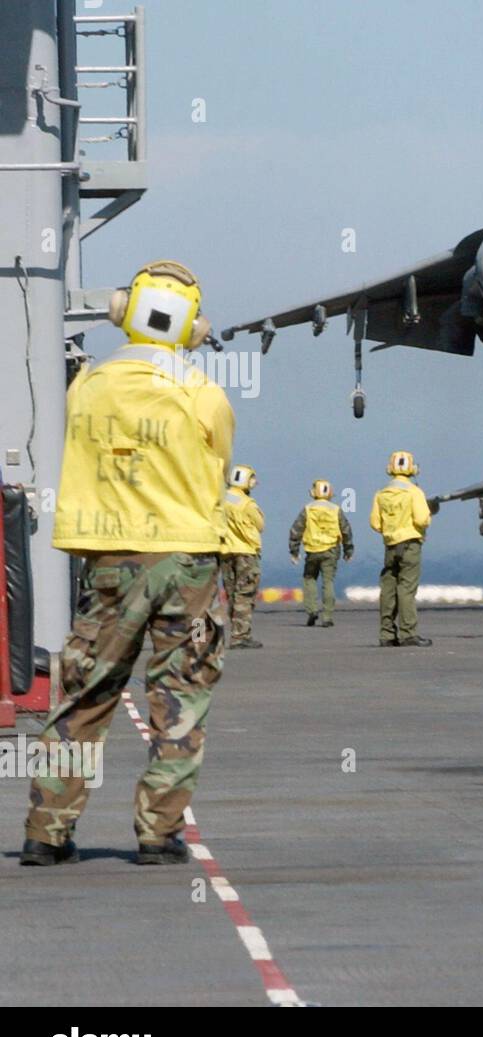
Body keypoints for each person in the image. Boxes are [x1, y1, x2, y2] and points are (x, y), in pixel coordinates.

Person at [21, 260, 232, 867]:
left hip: (112, 560)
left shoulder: (87, 383)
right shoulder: (202, 391)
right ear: (191, 325)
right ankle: (157, 835)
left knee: (85, 695)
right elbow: (218, 462)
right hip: (186, 558)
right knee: (179, 698)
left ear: (124, 312)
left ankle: (46, 833)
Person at [369, 451, 432, 647]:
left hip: (389, 545)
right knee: (406, 589)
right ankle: (408, 634)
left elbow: (375, 524)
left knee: (388, 589)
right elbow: (422, 519)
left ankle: (386, 634)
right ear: (412, 468)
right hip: (410, 544)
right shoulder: (415, 492)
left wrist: (391, 529)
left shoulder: (381, 493)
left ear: (390, 468)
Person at [289, 479, 353, 627]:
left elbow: (296, 530)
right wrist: (348, 549)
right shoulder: (336, 509)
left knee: (309, 579)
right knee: (328, 582)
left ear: (313, 492)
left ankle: (311, 609)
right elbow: (346, 530)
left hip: (312, 550)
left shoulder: (308, 509)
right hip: (330, 549)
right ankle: (327, 616)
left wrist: (294, 551)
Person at [220, 464, 264, 649]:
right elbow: (260, 525)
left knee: (231, 593)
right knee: (244, 594)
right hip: (245, 552)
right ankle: (240, 635)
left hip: (224, 551)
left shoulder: (220, 499)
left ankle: (235, 631)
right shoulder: (247, 503)